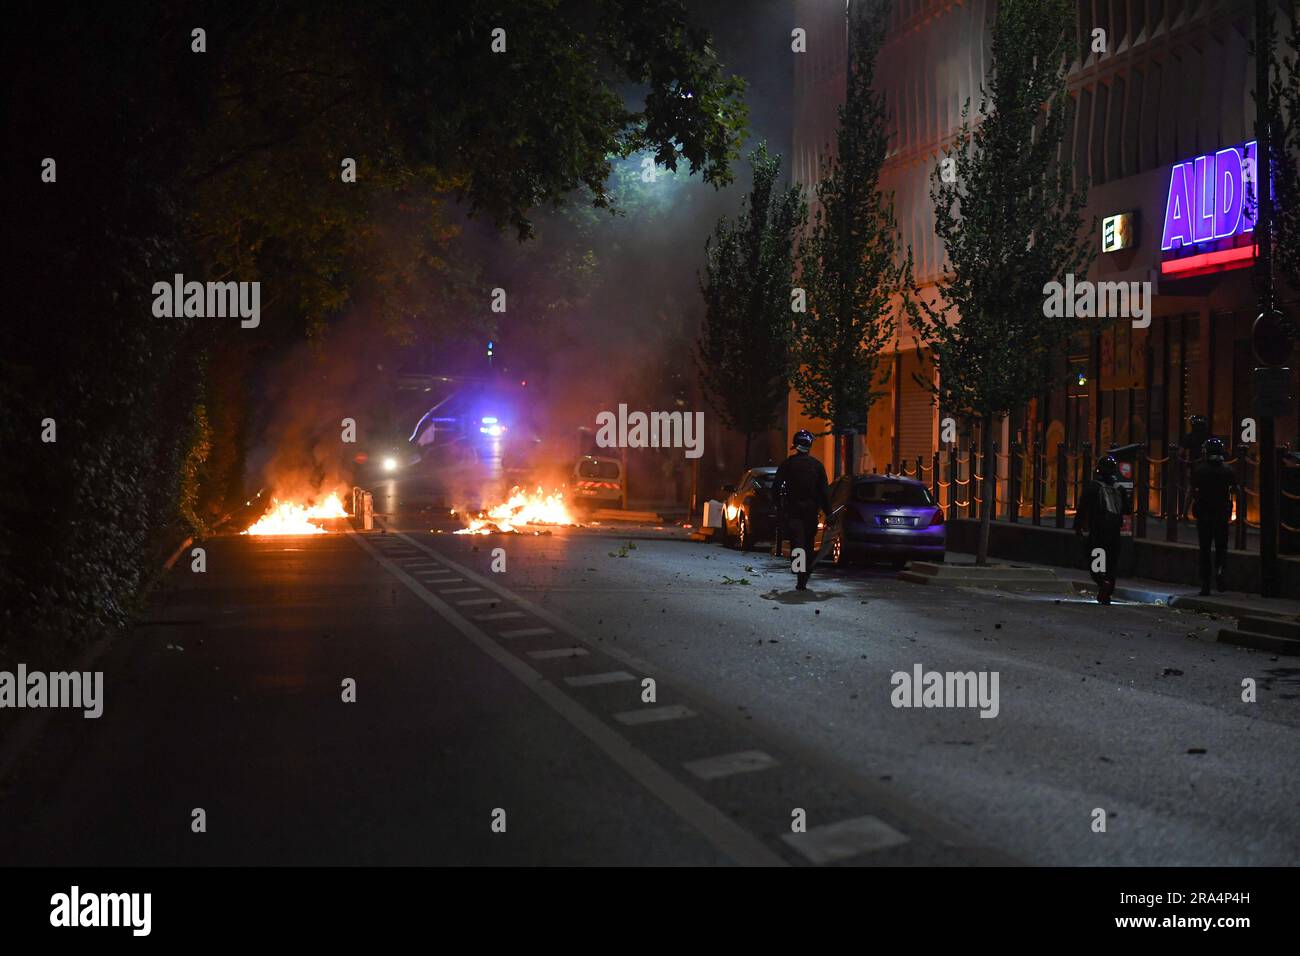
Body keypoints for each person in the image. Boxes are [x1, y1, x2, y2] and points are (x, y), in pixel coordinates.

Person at [774, 429, 830, 590]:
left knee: (797, 542)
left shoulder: (787, 464)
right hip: (811, 512)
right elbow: (824, 491)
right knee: (808, 542)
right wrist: (828, 512)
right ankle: (804, 572)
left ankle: (800, 573)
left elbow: (777, 487)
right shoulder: (817, 466)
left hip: (793, 511)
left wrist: (778, 506)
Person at [1185, 437, 1239, 595]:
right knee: (1222, 546)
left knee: (1205, 549)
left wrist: (1184, 511)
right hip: (1222, 513)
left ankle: (1206, 584)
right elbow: (1235, 491)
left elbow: (1191, 492)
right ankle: (1221, 571)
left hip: (1204, 513)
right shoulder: (1228, 470)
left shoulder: (1199, 470)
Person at [1074, 455, 1126, 604]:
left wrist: (1078, 527)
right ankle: (1107, 590)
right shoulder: (1120, 489)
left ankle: (1102, 583)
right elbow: (1127, 509)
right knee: (1111, 562)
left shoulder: (1093, 487)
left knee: (1096, 560)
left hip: (1097, 530)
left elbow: (1082, 508)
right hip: (1115, 531)